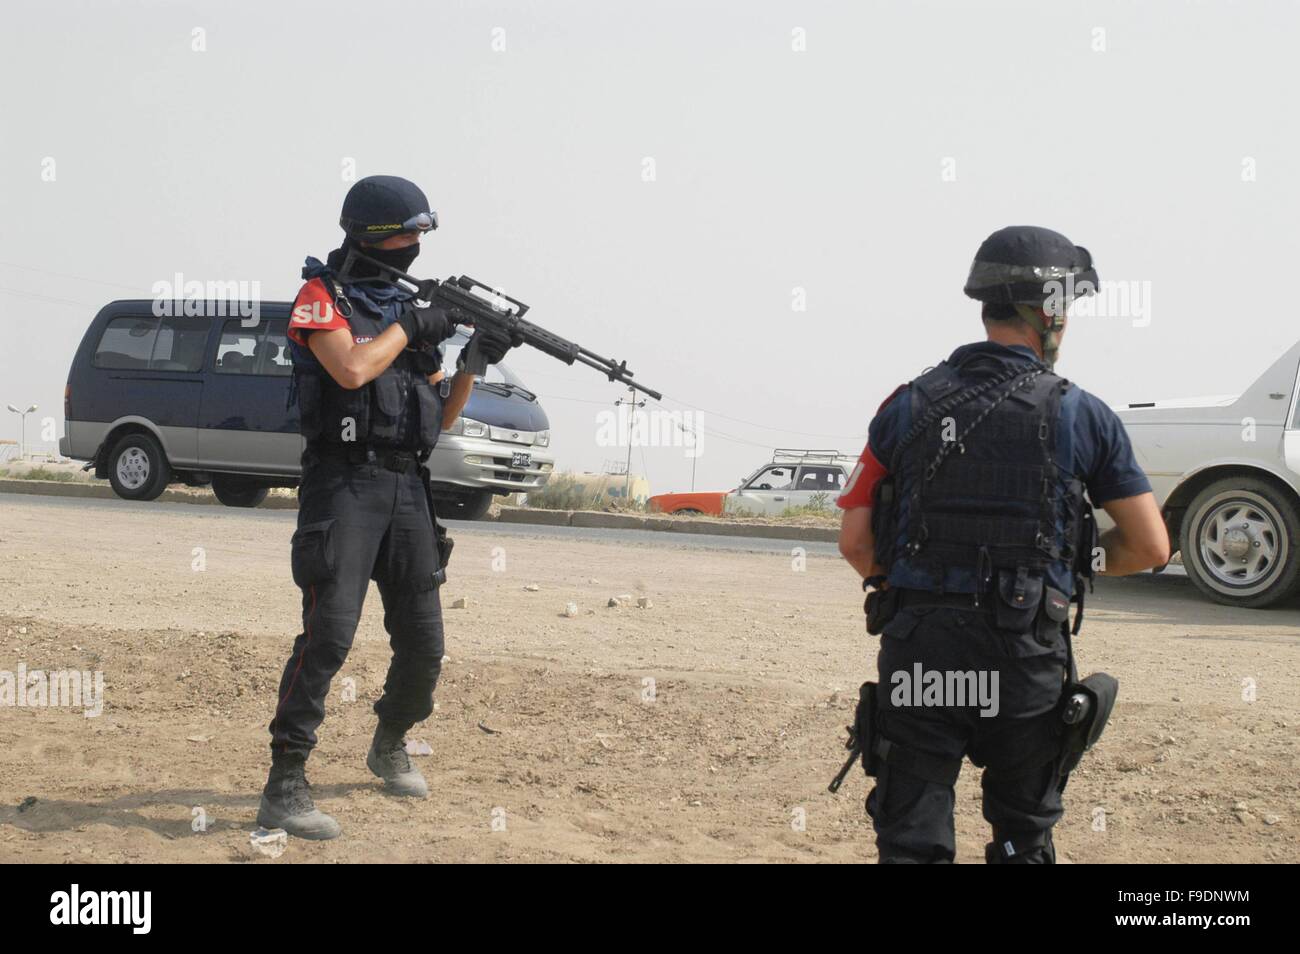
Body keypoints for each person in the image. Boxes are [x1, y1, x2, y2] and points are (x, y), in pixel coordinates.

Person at [836, 225, 1171, 863]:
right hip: (1024, 665)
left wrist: (908, 581)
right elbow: (1151, 546)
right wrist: (1073, 565)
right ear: (1049, 312)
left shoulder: (906, 405)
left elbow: (855, 543)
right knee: (1023, 838)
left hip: (923, 660)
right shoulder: (1083, 414)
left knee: (910, 842)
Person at [258, 175, 515, 839]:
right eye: (408, 234)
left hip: (407, 488)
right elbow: (350, 369)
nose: (416, 247)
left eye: (423, 234)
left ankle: (391, 740)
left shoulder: (409, 309)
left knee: (426, 644)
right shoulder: (322, 298)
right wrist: (409, 325)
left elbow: (446, 416)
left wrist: (472, 361)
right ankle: (285, 783)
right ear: (371, 235)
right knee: (329, 636)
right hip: (342, 487)